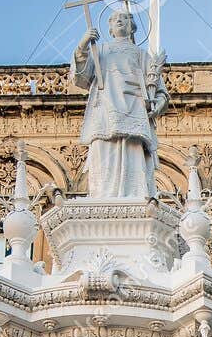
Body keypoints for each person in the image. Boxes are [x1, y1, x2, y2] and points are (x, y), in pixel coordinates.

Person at [71, 10, 169, 200]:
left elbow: (159, 89)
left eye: (124, 19)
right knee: (103, 152)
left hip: (135, 111)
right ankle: (103, 195)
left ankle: (134, 195)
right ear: (109, 27)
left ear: (132, 27)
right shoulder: (99, 51)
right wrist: (82, 45)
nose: (119, 21)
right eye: (115, 19)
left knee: (133, 157)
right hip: (105, 112)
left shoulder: (142, 55)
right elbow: (81, 77)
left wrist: (158, 104)